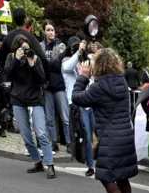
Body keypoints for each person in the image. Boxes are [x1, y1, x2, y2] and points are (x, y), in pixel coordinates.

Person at [74, 48, 139, 193]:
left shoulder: (99, 87)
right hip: (125, 136)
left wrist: (83, 77)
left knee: (105, 175)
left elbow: (76, 98)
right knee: (123, 176)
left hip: (110, 138)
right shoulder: (122, 82)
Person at [7, 32, 55, 178]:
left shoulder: (35, 59)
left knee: (40, 132)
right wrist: (16, 59)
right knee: (26, 135)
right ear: (16, 49)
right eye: (23, 49)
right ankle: (37, 161)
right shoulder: (11, 58)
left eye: (28, 48)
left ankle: (50, 164)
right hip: (18, 99)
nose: (26, 51)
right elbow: (7, 74)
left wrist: (32, 64)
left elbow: (42, 80)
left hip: (35, 99)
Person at [62, 37, 92, 174]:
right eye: (74, 47)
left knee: (99, 131)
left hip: (90, 102)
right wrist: (78, 53)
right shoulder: (66, 61)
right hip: (77, 104)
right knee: (86, 137)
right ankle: (90, 166)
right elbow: (68, 68)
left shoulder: (85, 62)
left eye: (79, 47)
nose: (77, 49)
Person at [41, 21, 71, 152]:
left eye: (52, 30)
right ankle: (53, 142)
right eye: (48, 30)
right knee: (49, 118)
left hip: (59, 86)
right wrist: (52, 62)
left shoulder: (61, 45)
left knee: (65, 117)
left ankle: (70, 142)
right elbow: (40, 64)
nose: (50, 32)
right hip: (47, 86)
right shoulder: (41, 46)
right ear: (44, 32)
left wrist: (49, 63)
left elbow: (60, 64)